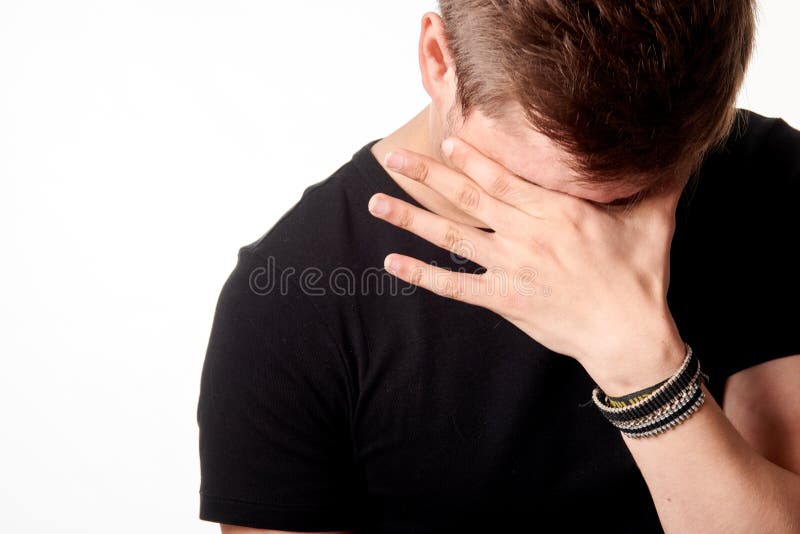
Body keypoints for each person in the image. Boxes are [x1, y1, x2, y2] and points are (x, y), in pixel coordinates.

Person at [196, 2, 800, 532]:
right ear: (439, 60)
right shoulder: (289, 300)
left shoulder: (767, 180)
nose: (576, 231)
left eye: (631, 198)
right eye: (541, 188)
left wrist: (642, 364)